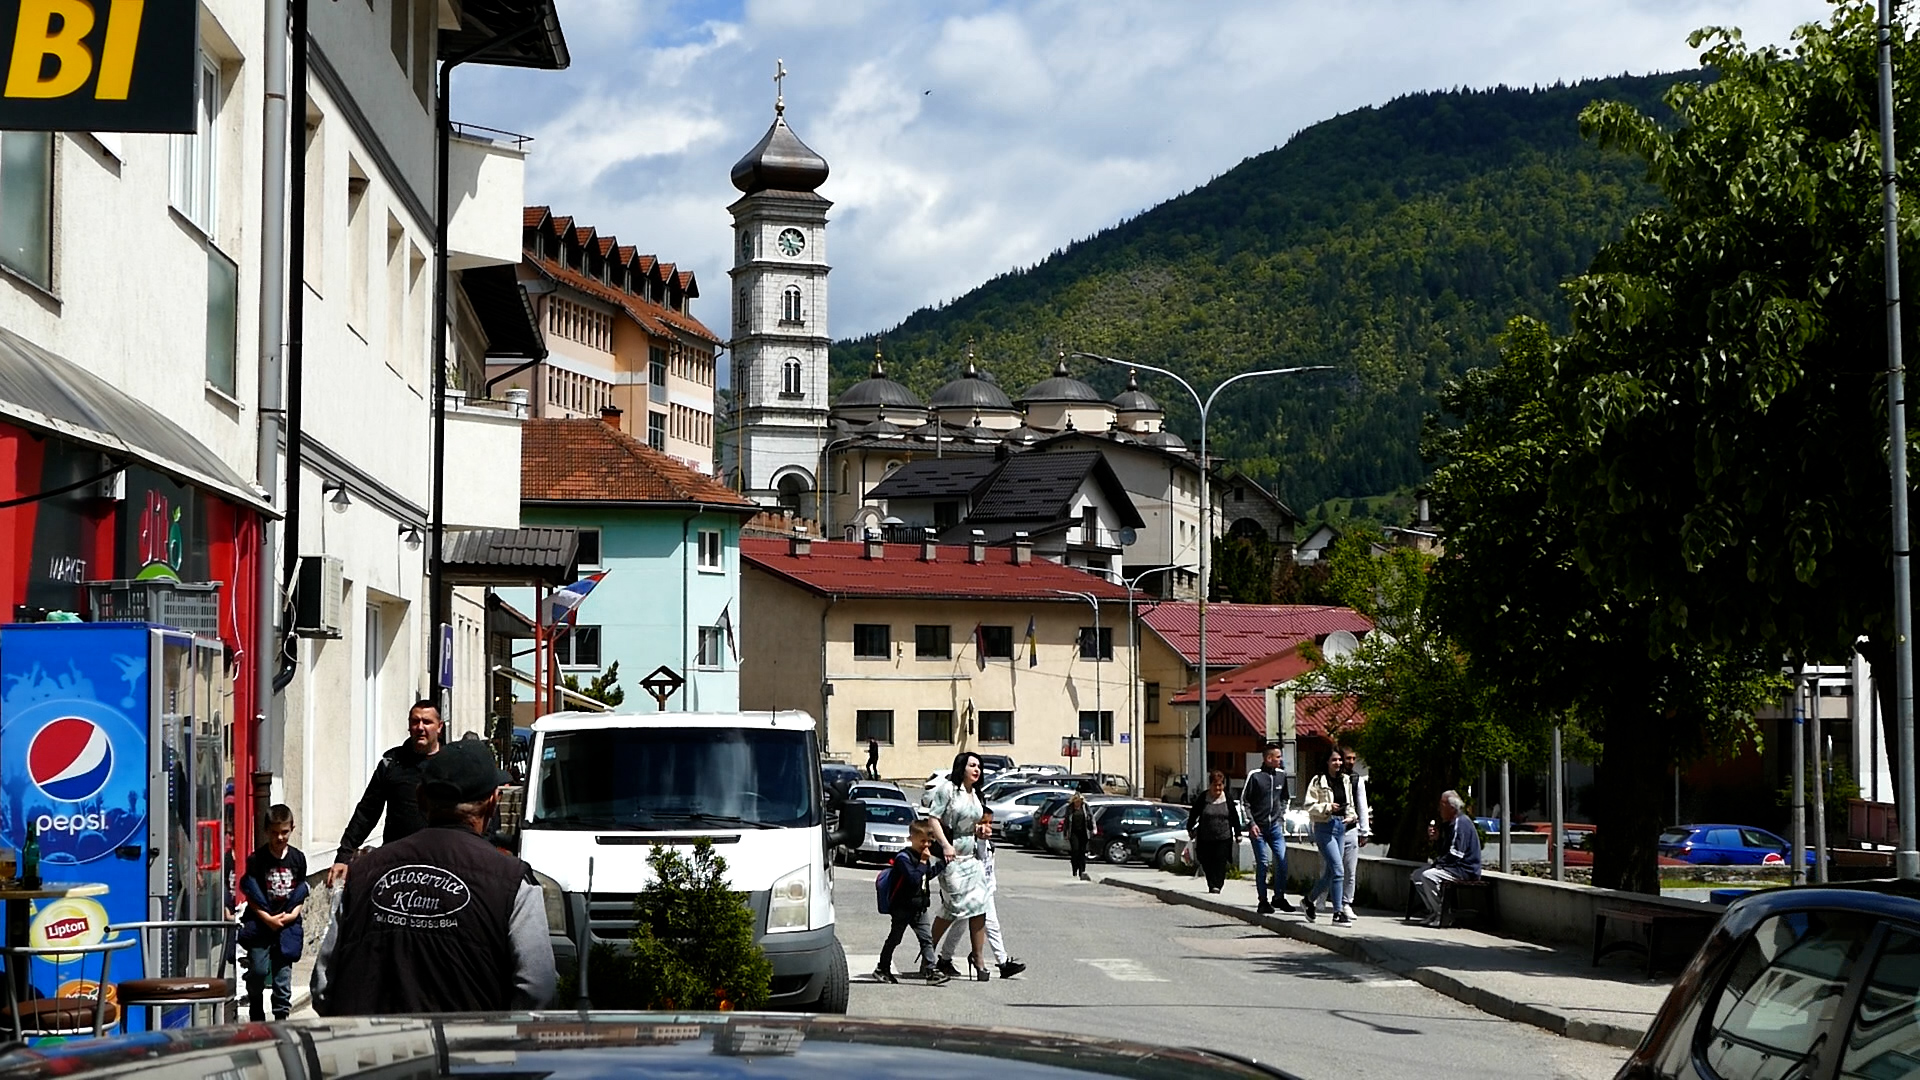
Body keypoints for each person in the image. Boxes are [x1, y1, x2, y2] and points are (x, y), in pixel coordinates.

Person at [313, 739, 556, 1013]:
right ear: (493, 802)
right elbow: (538, 990)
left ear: (420, 798)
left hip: (372, 1052)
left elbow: (323, 987)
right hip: (469, 1050)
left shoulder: (361, 874)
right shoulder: (512, 883)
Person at [329, 699, 444, 887]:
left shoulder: (452, 765)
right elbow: (367, 811)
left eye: (427, 722)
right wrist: (344, 854)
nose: (420, 727)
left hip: (439, 866)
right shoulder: (392, 763)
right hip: (398, 865)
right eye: (415, 722)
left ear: (439, 727)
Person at [936, 806, 1026, 978]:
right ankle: (1001, 962)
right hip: (971, 889)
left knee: (972, 925)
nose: (987, 826)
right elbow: (979, 859)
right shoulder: (969, 843)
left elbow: (988, 866)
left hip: (986, 889)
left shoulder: (990, 843)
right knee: (981, 924)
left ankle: (946, 958)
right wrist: (981, 840)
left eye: (990, 823)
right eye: (983, 822)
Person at [927, 751, 993, 980]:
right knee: (952, 908)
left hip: (971, 859)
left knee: (979, 907)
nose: (977, 770)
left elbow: (971, 824)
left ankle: (978, 958)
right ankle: (928, 954)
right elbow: (933, 818)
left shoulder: (975, 794)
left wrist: (980, 831)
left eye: (979, 767)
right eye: (972, 765)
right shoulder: (948, 790)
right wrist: (945, 845)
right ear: (961, 767)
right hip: (951, 859)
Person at [240, 804, 308, 1022]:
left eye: (284, 832)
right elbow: (250, 893)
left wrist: (293, 915)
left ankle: (281, 1017)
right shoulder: (256, 860)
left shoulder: (297, 859)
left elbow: (301, 891)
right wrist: (267, 918)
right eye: (275, 832)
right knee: (258, 970)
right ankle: (256, 1012)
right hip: (261, 924)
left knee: (282, 976)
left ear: (292, 828)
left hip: (287, 926)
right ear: (266, 831)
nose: (280, 837)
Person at [875, 819, 947, 984]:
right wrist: (922, 862)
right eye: (922, 841)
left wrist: (941, 865)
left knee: (926, 939)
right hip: (902, 907)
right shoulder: (903, 858)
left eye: (929, 841)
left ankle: (931, 970)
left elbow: (925, 876)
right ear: (911, 838)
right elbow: (914, 879)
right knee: (895, 938)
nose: (926, 844)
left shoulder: (923, 856)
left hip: (919, 907)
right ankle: (882, 968)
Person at [1410, 790, 1483, 927]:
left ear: (1451, 807)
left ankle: (1443, 914)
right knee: (1417, 876)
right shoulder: (1450, 824)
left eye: (1442, 805)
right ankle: (1433, 910)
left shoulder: (1460, 824)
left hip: (1464, 869)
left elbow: (1455, 854)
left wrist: (1437, 864)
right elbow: (1445, 851)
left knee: (1428, 876)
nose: (1439, 809)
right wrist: (1437, 839)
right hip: (1453, 867)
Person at [1241, 745, 1295, 914]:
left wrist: (1281, 817)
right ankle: (1262, 901)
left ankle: (1279, 897)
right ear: (1268, 758)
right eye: (1277, 757)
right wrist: (1251, 823)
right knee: (1263, 863)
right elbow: (1244, 802)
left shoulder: (1281, 776)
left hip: (1275, 827)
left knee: (1282, 860)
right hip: (1258, 828)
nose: (1281, 760)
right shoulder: (1255, 776)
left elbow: (1285, 798)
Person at [1301, 754, 1351, 925]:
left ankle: (1309, 900)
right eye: (1334, 760)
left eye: (1339, 760)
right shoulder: (1318, 780)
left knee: (1331, 873)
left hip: (1341, 827)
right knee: (1338, 870)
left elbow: (1349, 804)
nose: (1338, 763)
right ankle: (1338, 912)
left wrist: (1351, 816)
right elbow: (1308, 805)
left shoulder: (1345, 780)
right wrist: (1328, 807)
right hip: (1324, 827)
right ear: (1327, 762)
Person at [1187, 770, 1239, 893]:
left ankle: (1217, 885)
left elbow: (1234, 816)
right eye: (1215, 785)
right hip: (1205, 837)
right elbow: (1194, 813)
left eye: (1220, 785)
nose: (1217, 788)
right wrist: (1190, 828)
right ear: (1210, 785)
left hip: (1223, 837)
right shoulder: (1204, 797)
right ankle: (1211, 882)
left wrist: (1238, 833)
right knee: (1205, 860)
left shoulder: (1227, 798)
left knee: (1220, 861)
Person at [1339, 747, 1371, 920]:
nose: (1351, 762)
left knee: (1350, 870)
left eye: (1353, 759)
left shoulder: (1356, 779)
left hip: (1351, 829)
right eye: (1348, 758)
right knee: (1330, 867)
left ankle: (1346, 903)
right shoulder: (1330, 778)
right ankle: (1321, 896)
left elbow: (1362, 805)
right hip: (1332, 828)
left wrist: (1364, 831)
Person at [1064, 792, 1093, 882]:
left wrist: (1091, 827)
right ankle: (1074, 868)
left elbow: (1091, 817)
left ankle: (1082, 870)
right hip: (1073, 832)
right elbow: (1066, 821)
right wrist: (1065, 833)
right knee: (1075, 850)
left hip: (1084, 832)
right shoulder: (1070, 808)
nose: (1078, 803)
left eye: (1079, 801)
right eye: (1076, 801)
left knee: (1082, 852)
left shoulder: (1085, 807)